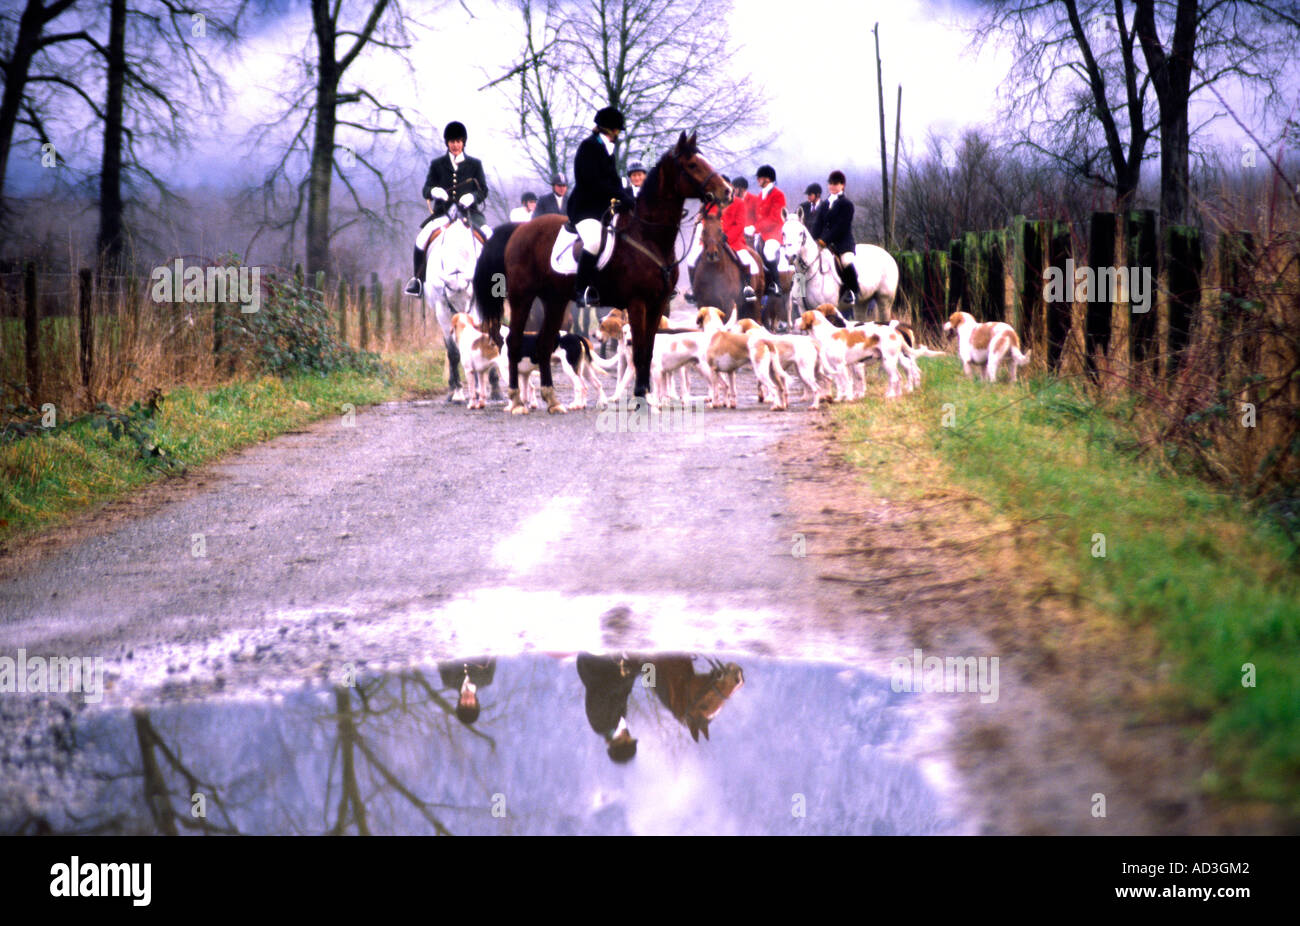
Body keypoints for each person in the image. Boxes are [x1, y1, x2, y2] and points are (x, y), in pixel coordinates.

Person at [405, 120, 489, 297]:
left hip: (470, 214)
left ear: (463, 142)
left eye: (458, 141)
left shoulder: (475, 164)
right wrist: (434, 191)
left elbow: (483, 190)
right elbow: (426, 189)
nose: (456, 145)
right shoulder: (438, 164)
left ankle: (498, 284)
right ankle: (418, 281)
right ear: (447, 143)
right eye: (452, 142)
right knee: (422, 238)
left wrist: (472, 197)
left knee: (491, 236)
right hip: (444, 214)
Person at [568, 106, 635, 309]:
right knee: (595, 241)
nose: (618, 135)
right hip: (584, 208)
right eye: (617, 131)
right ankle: (581, 290)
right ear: (610, 130)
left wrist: (626, 197)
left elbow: (613, 180)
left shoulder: (608, 150)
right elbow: (592, 182)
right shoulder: (588, 147)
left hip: (603, 208)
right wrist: (617, 196)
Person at [818, 169, 860, 305]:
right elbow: (817, 224)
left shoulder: (847, 204)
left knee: (846, 261)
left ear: (842, 185)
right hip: (824, 243)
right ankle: (799, 293)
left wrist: (825, 240)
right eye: (830, 183)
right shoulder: (824, 204)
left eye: (835, 183)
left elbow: (841, 227)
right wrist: (814, 239)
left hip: (843, 243)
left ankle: (852, 291)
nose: (832, 186)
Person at [749, 164, 786, 296]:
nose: (758, 180)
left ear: (767, 179)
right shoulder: (761, 195)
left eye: (760, 178)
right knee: (751, 249)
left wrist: (755, 228)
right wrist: (751, 227)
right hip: (762, 233)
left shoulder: (778, 194)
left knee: (768, 251)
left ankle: (777, 285)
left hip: (775, 232)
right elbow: (759, 217)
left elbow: (774, 218)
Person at [437, 657, 497, 726]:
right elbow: (493, 655)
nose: (467, 700)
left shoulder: (448, 680)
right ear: (476, 703)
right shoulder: (486, 678)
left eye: (464, 704)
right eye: (471, 704)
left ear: (459, 702)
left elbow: (440, 657)